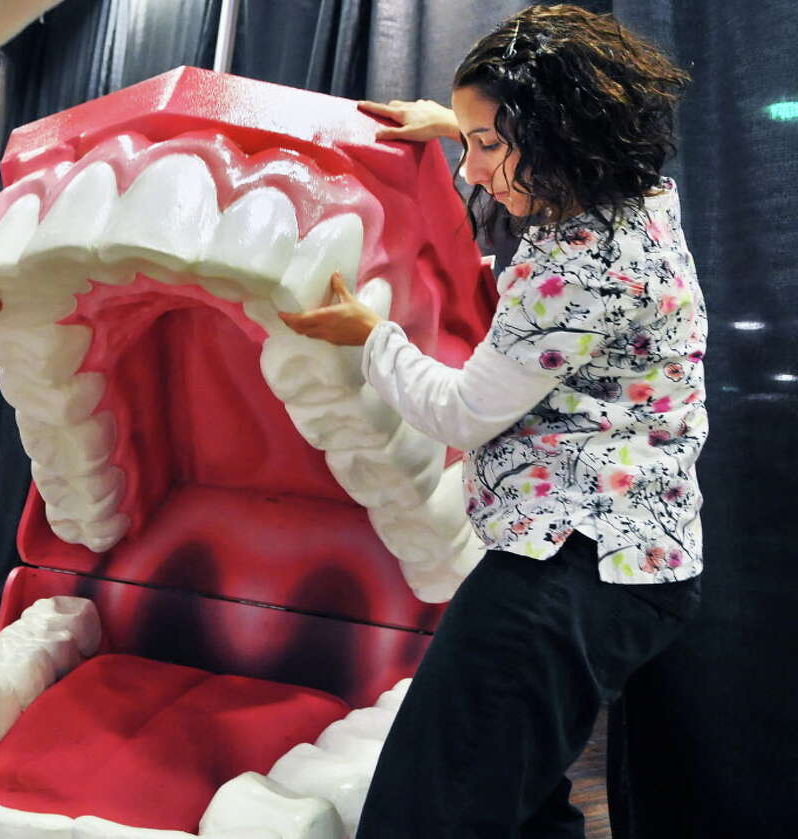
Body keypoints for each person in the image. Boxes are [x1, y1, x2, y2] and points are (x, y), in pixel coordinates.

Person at [279, 6, 706, 836]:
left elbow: (461, 410)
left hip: (572, 571)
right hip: (627, 562)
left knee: (430, 812)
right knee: (518, 803)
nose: (472, 172)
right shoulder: (641, 194)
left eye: (487, 144)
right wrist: (452, 124)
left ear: (555, 132)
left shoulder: (581, 266)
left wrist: (373, 339)